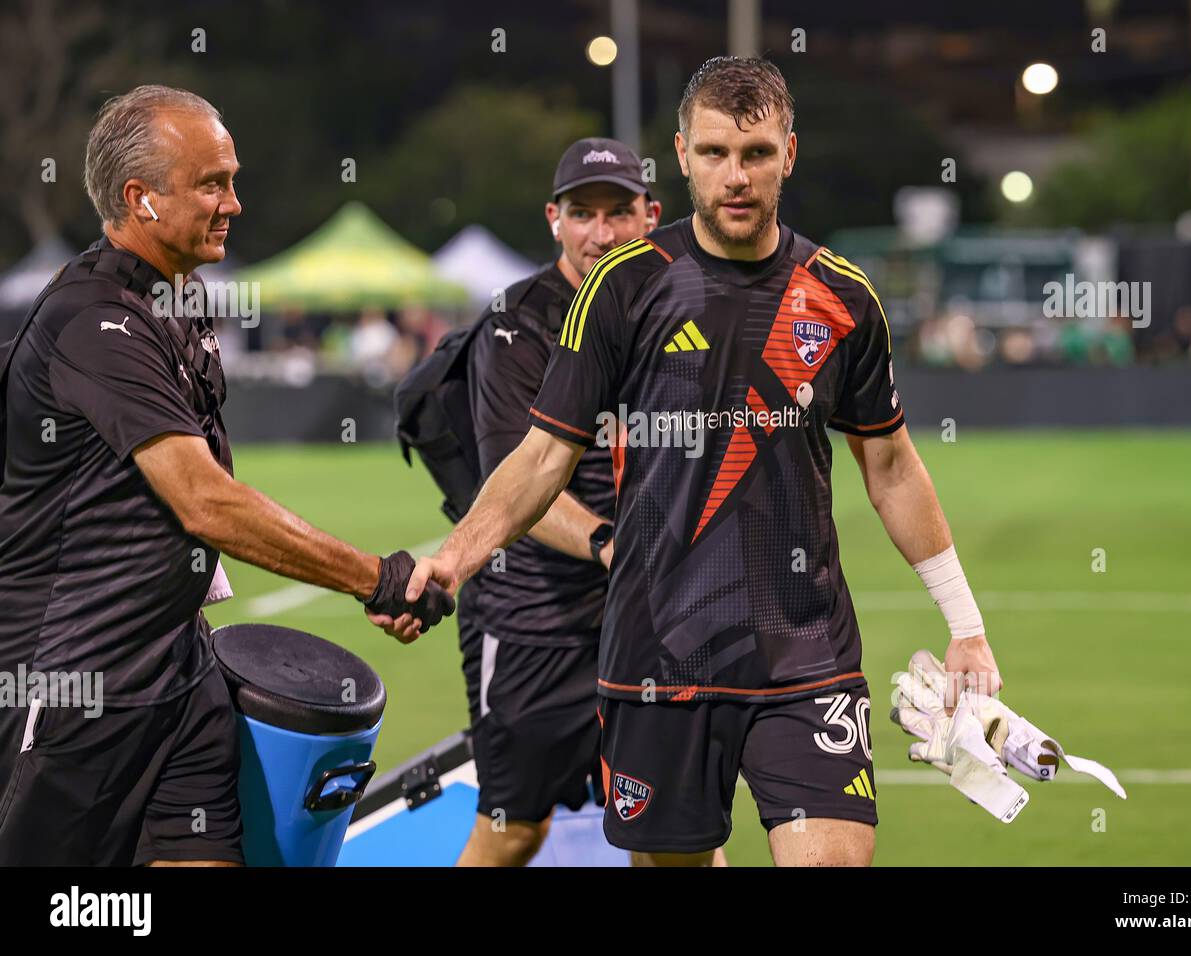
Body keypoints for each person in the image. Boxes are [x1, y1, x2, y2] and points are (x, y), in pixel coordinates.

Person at [377, 57, 1002, 867]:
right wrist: (453, 561)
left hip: (804, 656)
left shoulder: (842, 296)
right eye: (714, 154)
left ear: (790, 153)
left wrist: (967, 627)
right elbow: (541, 458)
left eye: (756, 154)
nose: (735, 177)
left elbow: (890, 465)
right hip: (656, 660)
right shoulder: (623, 287)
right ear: (681, 155)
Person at [0, 85, 450, 867]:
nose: (234, 203)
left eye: (232, 179)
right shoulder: (92, 322)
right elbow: (205, 501)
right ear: (140, 199)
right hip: (70, 687)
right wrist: (374, 576)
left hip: (179, 670)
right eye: (212, 183)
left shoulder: (184, 299)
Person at [451, 138, 661, 866]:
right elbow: (523, 483)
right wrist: (613, 544)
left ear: (651, 215)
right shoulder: (514, 324)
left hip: (654, 624)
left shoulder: (679, 313)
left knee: (671, 834)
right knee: (514, 830)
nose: (601, 233)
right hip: (535, 624)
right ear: (554, 219)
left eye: (619, 212)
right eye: (582, 213)